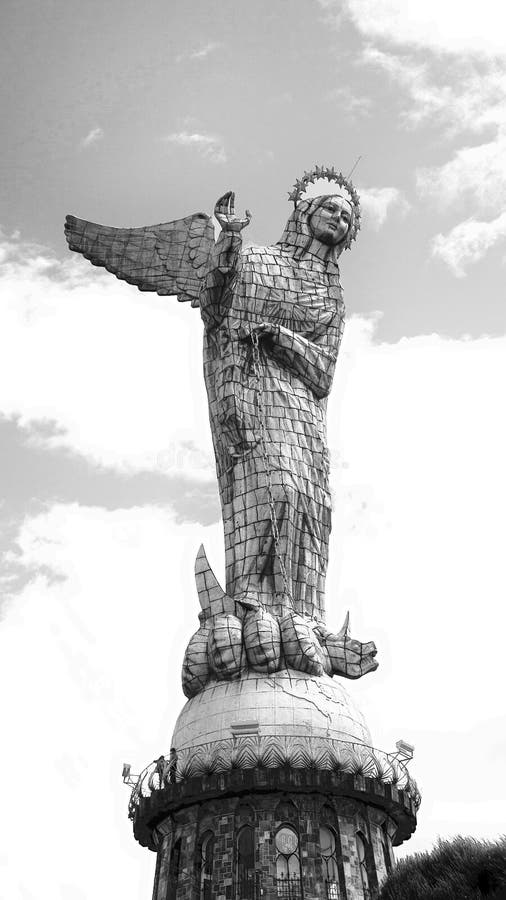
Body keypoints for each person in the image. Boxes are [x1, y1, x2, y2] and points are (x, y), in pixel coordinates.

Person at [199, 191, 354, 620]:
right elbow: (215, 310)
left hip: (303, 410)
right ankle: (249, 594)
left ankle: (300, 613)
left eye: (346, 217)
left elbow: (323, 372)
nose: (337, 218)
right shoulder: (256, 261)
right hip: (254, 391)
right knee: (277, 487)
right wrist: (228, 241)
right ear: (305, 213)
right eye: (330, 208)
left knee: (312, 504)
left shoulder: (332, 300)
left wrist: (281, 337)